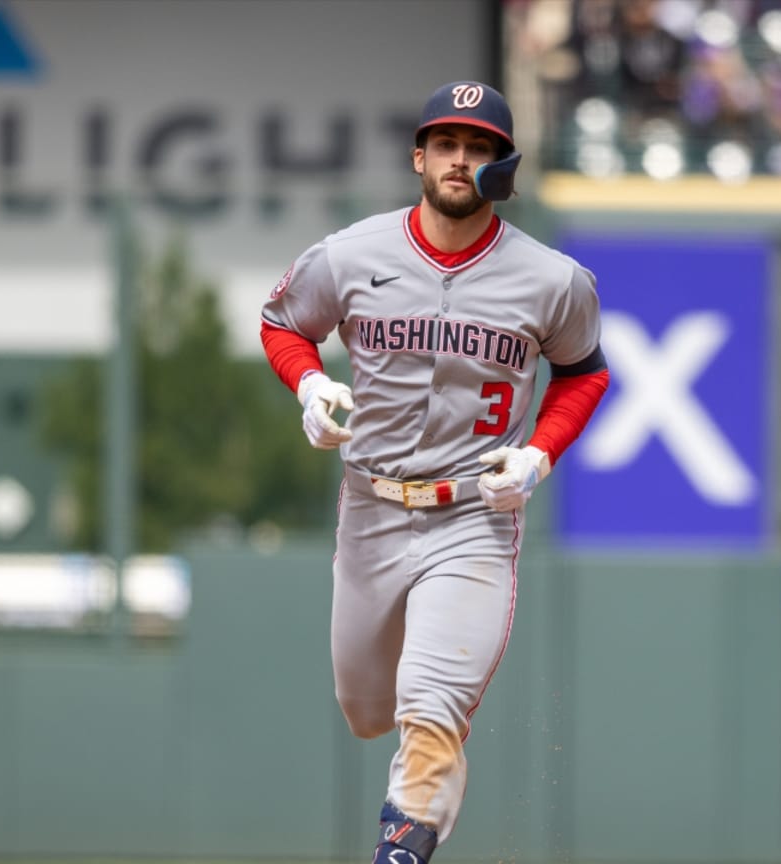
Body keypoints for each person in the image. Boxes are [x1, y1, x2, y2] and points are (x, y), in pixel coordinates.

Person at [259, 80, 610, 863]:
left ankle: (402, 850)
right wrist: (310, 385)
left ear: (503, 166)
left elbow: (585, 374)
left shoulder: (553, 280)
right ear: (419, 156)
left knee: (432, 705)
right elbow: (283, 323)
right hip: (371, 507)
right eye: (446, 144)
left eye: (480, 146)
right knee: (365, 709)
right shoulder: (351, 254)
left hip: (473, 518)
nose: (460, 159)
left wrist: (539, 452)